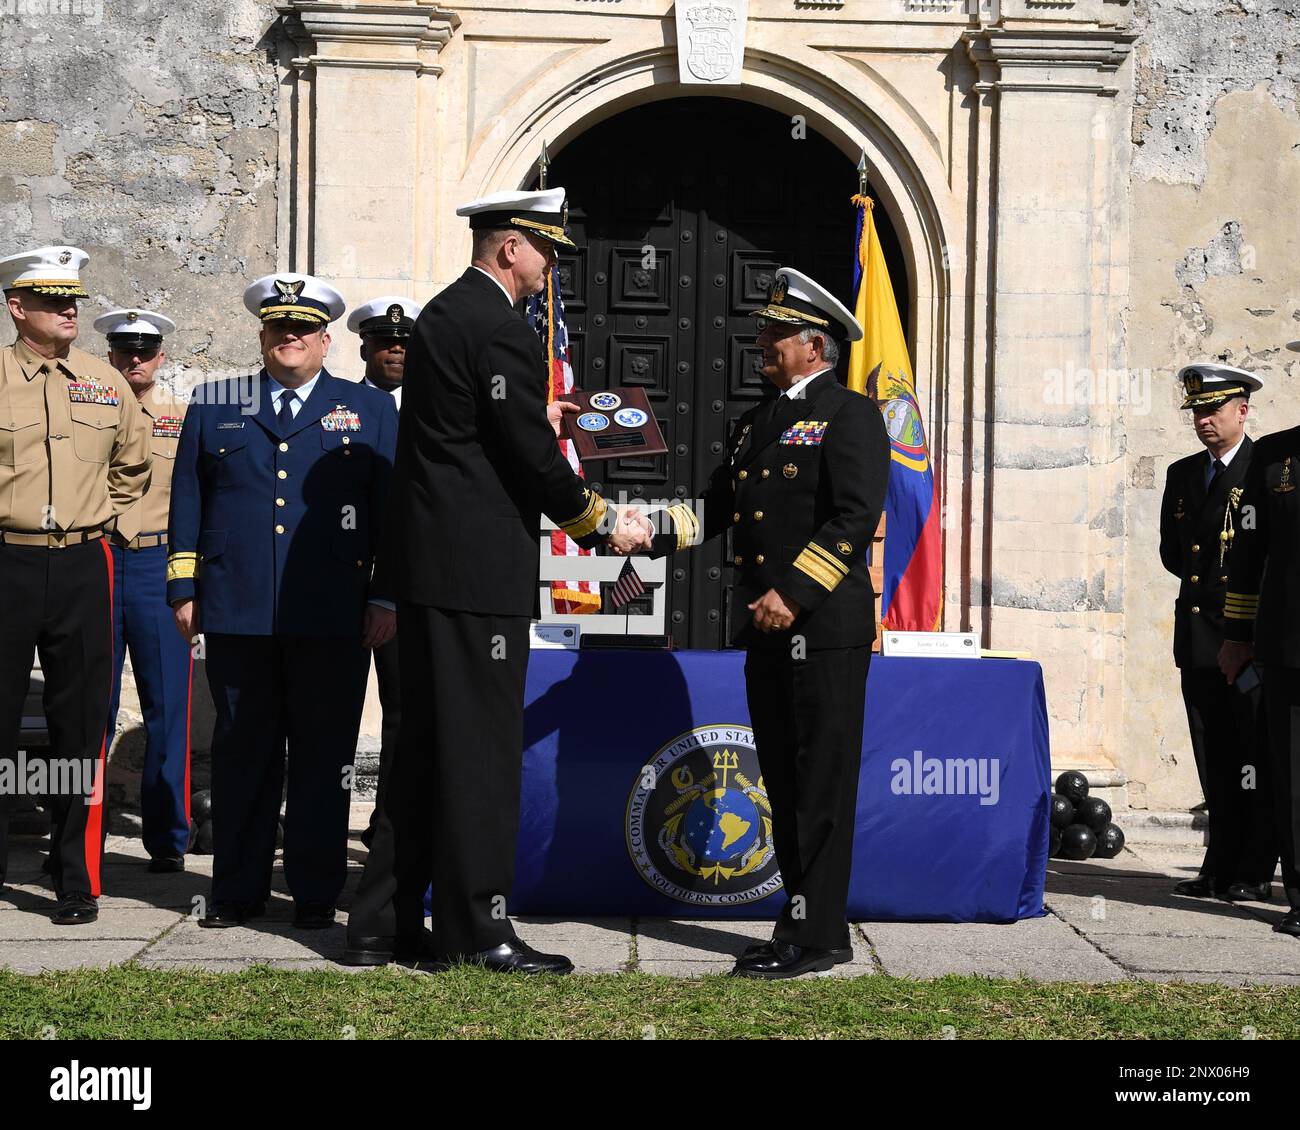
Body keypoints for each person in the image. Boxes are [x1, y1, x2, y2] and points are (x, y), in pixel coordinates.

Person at [344, 188, 650, 974]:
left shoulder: (447, 315)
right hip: (476, 574)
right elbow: (520, 450)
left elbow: (471, 432)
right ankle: (481, 931)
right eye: (546, 251)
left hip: (431, 569)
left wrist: (528, 426)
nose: (551, 269)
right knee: (478, 754)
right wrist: (596, 522)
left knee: (422, 749)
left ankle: (380, 923)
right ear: (510, 245)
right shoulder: (497, 326)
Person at [649, 267, 890, 978]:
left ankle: (821, 936)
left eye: (776, 334)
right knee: (783, 778)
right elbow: (713, 507)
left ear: (815, 345)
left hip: (822, 625)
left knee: (821, 781)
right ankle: (799, 922)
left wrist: (792, 592)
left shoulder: (851, 415)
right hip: (768, 630)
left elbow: (855, 518)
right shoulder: (758, 420)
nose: (761, 342)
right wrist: (639, 530)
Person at [166, 273, 398, 929]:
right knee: (244, 754)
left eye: (302, 329)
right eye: (277, 328)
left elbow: (393, 514)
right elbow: (188, 498)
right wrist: (184, 586)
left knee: (326, 760)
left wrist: (385, 594)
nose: (289, 337)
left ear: (326, 341)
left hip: (334, 614)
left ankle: (316, 893)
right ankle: (236, 891)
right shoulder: (216, 404)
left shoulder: (370, 409)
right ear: (263, 336)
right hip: (239, 610)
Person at [0, 245, 152, 924]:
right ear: (16, 306)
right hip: (7, 559)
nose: (70, 309)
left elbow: (133, 464)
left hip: (86, 563)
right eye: (54, 299)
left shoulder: (104, 380)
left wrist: (102, 520)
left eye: (74, 300)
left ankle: (73, 877)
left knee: (78, 727)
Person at [1161, 363, 1276, 902]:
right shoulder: (1184, 475)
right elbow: (1174, 554)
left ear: (1242, 410)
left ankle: (1254, 869)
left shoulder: (1265, 469)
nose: (1204, 420)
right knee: (1214, 757)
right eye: (1197, 411)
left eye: (1214, 410)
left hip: (1246, 637)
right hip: (1198, 637)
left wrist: (1243, 627)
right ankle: (1218, 863)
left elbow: (1265, 557)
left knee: (1254, 757)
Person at [94, 308, 194, 874]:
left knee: (169, 708)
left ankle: (168, 838)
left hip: (159, 562)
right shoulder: (88, 413)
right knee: (91, 708)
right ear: (109, 354)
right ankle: (84, 836)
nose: (135, 359)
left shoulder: (181, 418)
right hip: (101, 559)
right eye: (124, 350)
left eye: (145, 351)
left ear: (160, 358)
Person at [1220, 338, 1300, 939]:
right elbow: (1247, 555)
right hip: (1289, 644)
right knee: (1291, 772)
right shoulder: (1275, 458)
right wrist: (1238, 635)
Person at [346, 296, 422, 852]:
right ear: (365, 347)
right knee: (332, 708)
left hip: (408, 583)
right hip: (345, 582)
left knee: (403, 710)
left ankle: (389, 825)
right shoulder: (342, 407)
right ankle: (321, 818)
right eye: (385, 342)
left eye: (404, 343)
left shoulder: (434, 409)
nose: (395, 351)